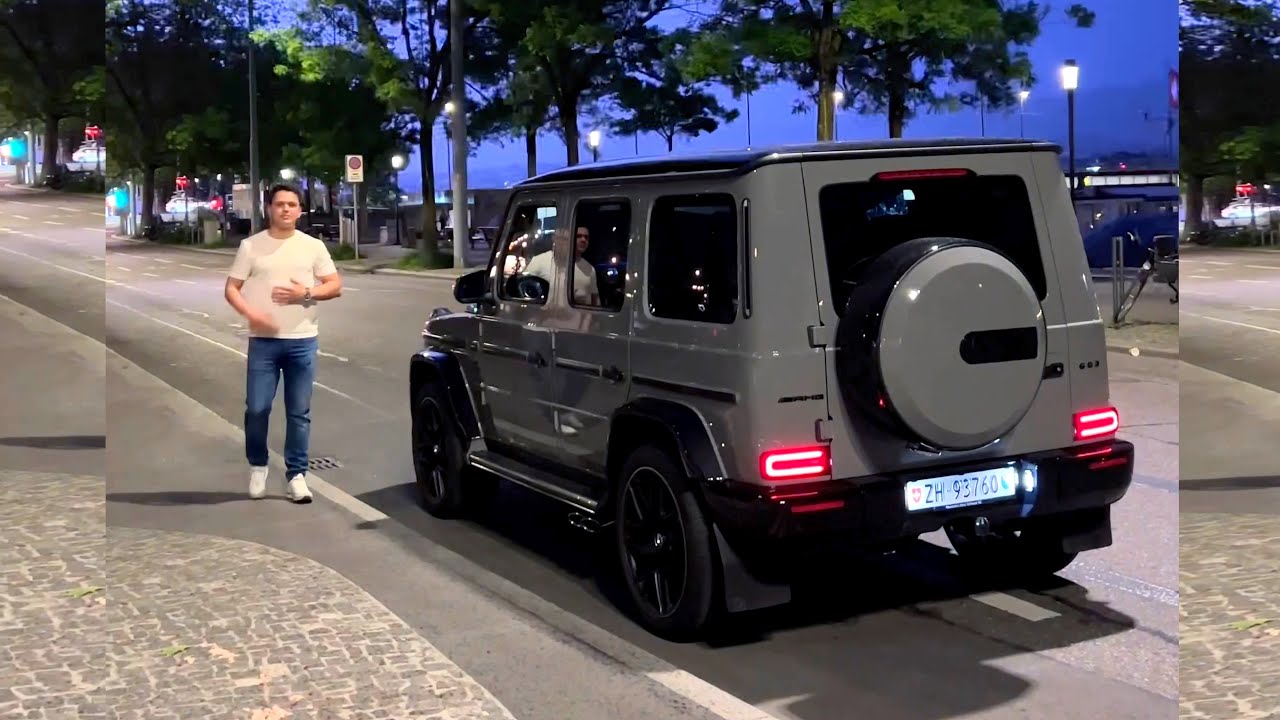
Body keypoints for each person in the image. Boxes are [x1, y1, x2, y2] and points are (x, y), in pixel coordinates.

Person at [223, 184, 342, 503]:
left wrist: (304, 294)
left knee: (298, 412)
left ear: (300, 210)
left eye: (292, 204)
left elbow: (334, 285)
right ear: (269, 209)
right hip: (263, 342)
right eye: (280, 204)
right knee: (258, 408)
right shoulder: (251, 246)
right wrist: (253, 316)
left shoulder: (312, 247)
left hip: (302, 340)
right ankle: (258, 465)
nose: (286, 209)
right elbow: (232, 288)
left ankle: (297, 475)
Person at [523, 225, 599, 305]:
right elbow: (523, 290)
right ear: (554, 238)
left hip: (576, 316)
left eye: (566, 240)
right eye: (561, 239)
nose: (564, 243)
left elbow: (595, 300)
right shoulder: (538, 261)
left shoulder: (589, 269)